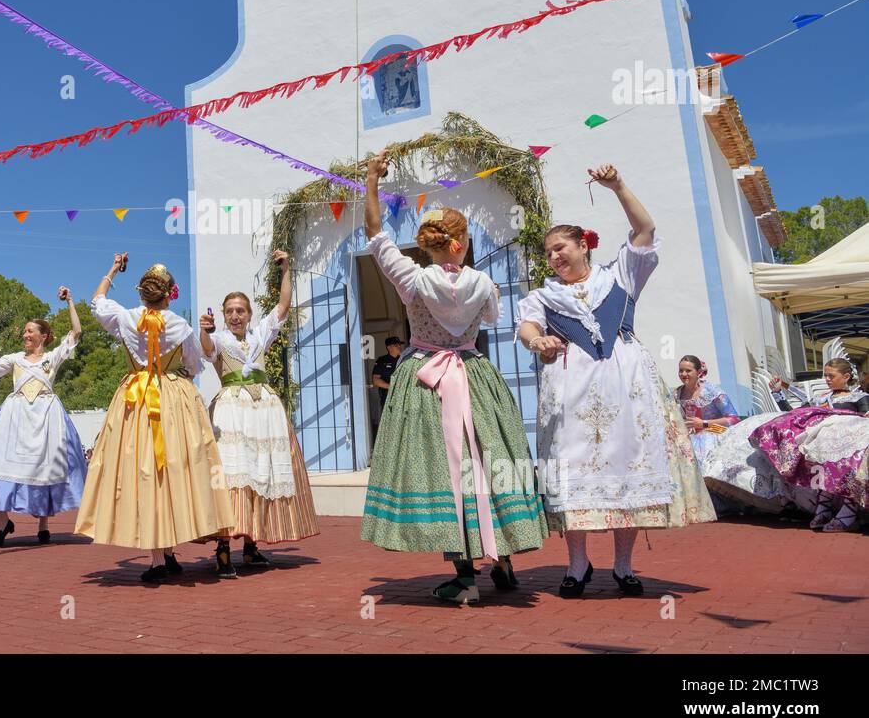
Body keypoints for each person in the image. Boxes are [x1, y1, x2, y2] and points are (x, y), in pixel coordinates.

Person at [517, 164, 714, 598]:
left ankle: (623, 566)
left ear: (584, 244)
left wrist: (618, 187)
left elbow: (645, 229)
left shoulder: (620, 275)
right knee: (573, 474)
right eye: (548, 252)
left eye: (560, 247)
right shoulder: (541, 296)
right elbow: (528, 327)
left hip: (629, 389)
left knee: (629, 468)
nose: (554, 257)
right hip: (571, 392)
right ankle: (577, 564)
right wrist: (538, 343)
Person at [359, 152, 547, 604]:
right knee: (486, 461)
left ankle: (465, 577)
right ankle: (503, 561)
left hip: (424, 378)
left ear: (429, 244)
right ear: (461, 243)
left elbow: (374, 233)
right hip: (474, 375)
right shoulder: (484, 285)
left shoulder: (411, 277)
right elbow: (487, 319)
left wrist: (370, 180)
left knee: (446, 471)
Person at [75, 255, 235, 582]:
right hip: (173, 399)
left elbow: (97, 301)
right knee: (174, 471)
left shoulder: (124, 318)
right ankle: (167, 552)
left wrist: (112, 269)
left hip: (135, 399)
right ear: (170, 294)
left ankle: (160, 557)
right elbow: (193, 365)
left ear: (142, 292)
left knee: (143, 472)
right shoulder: (180, 325)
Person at [199, 250, 319, 577]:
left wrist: (286, 270)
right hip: (231, 412)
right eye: (230, 311)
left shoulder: (260, 335)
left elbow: (283, 306)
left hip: (264, 411)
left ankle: (251, 546)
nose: (235, 316)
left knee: (261, 473)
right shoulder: (220, 339)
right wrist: (205, 330)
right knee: (232, 476)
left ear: (250, 314)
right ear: (223, 316)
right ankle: (223, 549)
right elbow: (207, 351)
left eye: (240, 311)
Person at [0, 286, 88, 545]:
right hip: (15, 416)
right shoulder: (15, 359)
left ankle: (44, 523)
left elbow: (77, 332)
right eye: (24, 331)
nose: (25, 334)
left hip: (47, 416)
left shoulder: (52, 357)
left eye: (30, 331)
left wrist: (70, 300)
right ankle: (2, 523)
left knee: (47, 466)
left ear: (43, 336)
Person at [753, 358, 869, 532]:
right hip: (823, 445)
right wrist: (778, 393)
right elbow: (797, 415)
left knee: (847, 466)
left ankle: (848, 512)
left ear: (846, 377)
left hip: (849, 445)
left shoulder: (860, 397)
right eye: (826, 375)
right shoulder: (820, 399)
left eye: (831, 376)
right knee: (823, 468)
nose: (827, 379)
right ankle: (824, 507)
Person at [675, 355, 742, 461]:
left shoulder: (712, 391)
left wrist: (704, 423)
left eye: (688, 371)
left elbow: (734, 419)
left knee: (703, 450)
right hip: (689, 437)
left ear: (698, 372)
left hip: (715, 432)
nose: (683, 374)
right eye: (681, 370)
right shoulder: (676, 394)